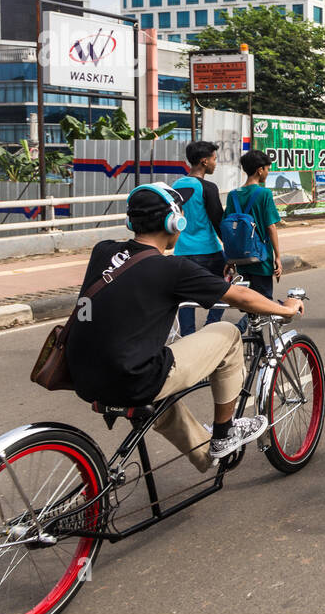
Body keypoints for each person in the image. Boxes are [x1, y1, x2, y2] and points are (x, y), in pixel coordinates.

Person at [66, 183, 303, 471]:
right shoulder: (172, 269)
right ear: (174, 221)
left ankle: (205, 454)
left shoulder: (102, 251)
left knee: (157, 382)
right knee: (228, 334)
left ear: (131, 222)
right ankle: (224, 434)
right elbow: (240, 296)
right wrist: (286, 308)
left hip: (83, 377)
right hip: (132, 378)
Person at [172, 141, 227, 337]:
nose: (215, 163)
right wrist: (229, 250)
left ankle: (187, 337)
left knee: (185, 296)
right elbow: (218, 221)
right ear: (204, 161)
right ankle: (211, 327)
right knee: (224, 287)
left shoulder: (176, 186)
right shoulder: (208, 187)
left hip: (182, 251)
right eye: (214, 159)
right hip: (208, 250)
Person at [228, 151, 283, 299]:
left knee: (247, 302)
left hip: (240, 257)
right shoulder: (264, 194)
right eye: (267, 169)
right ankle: (243, 324)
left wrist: (229, 258)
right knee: (264, 301)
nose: (267, 173)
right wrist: (277, 257)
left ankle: (246, 322)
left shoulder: (232, 195)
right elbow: (270, 227)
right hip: (261, 257)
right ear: (260, 170)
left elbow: (229, 229)